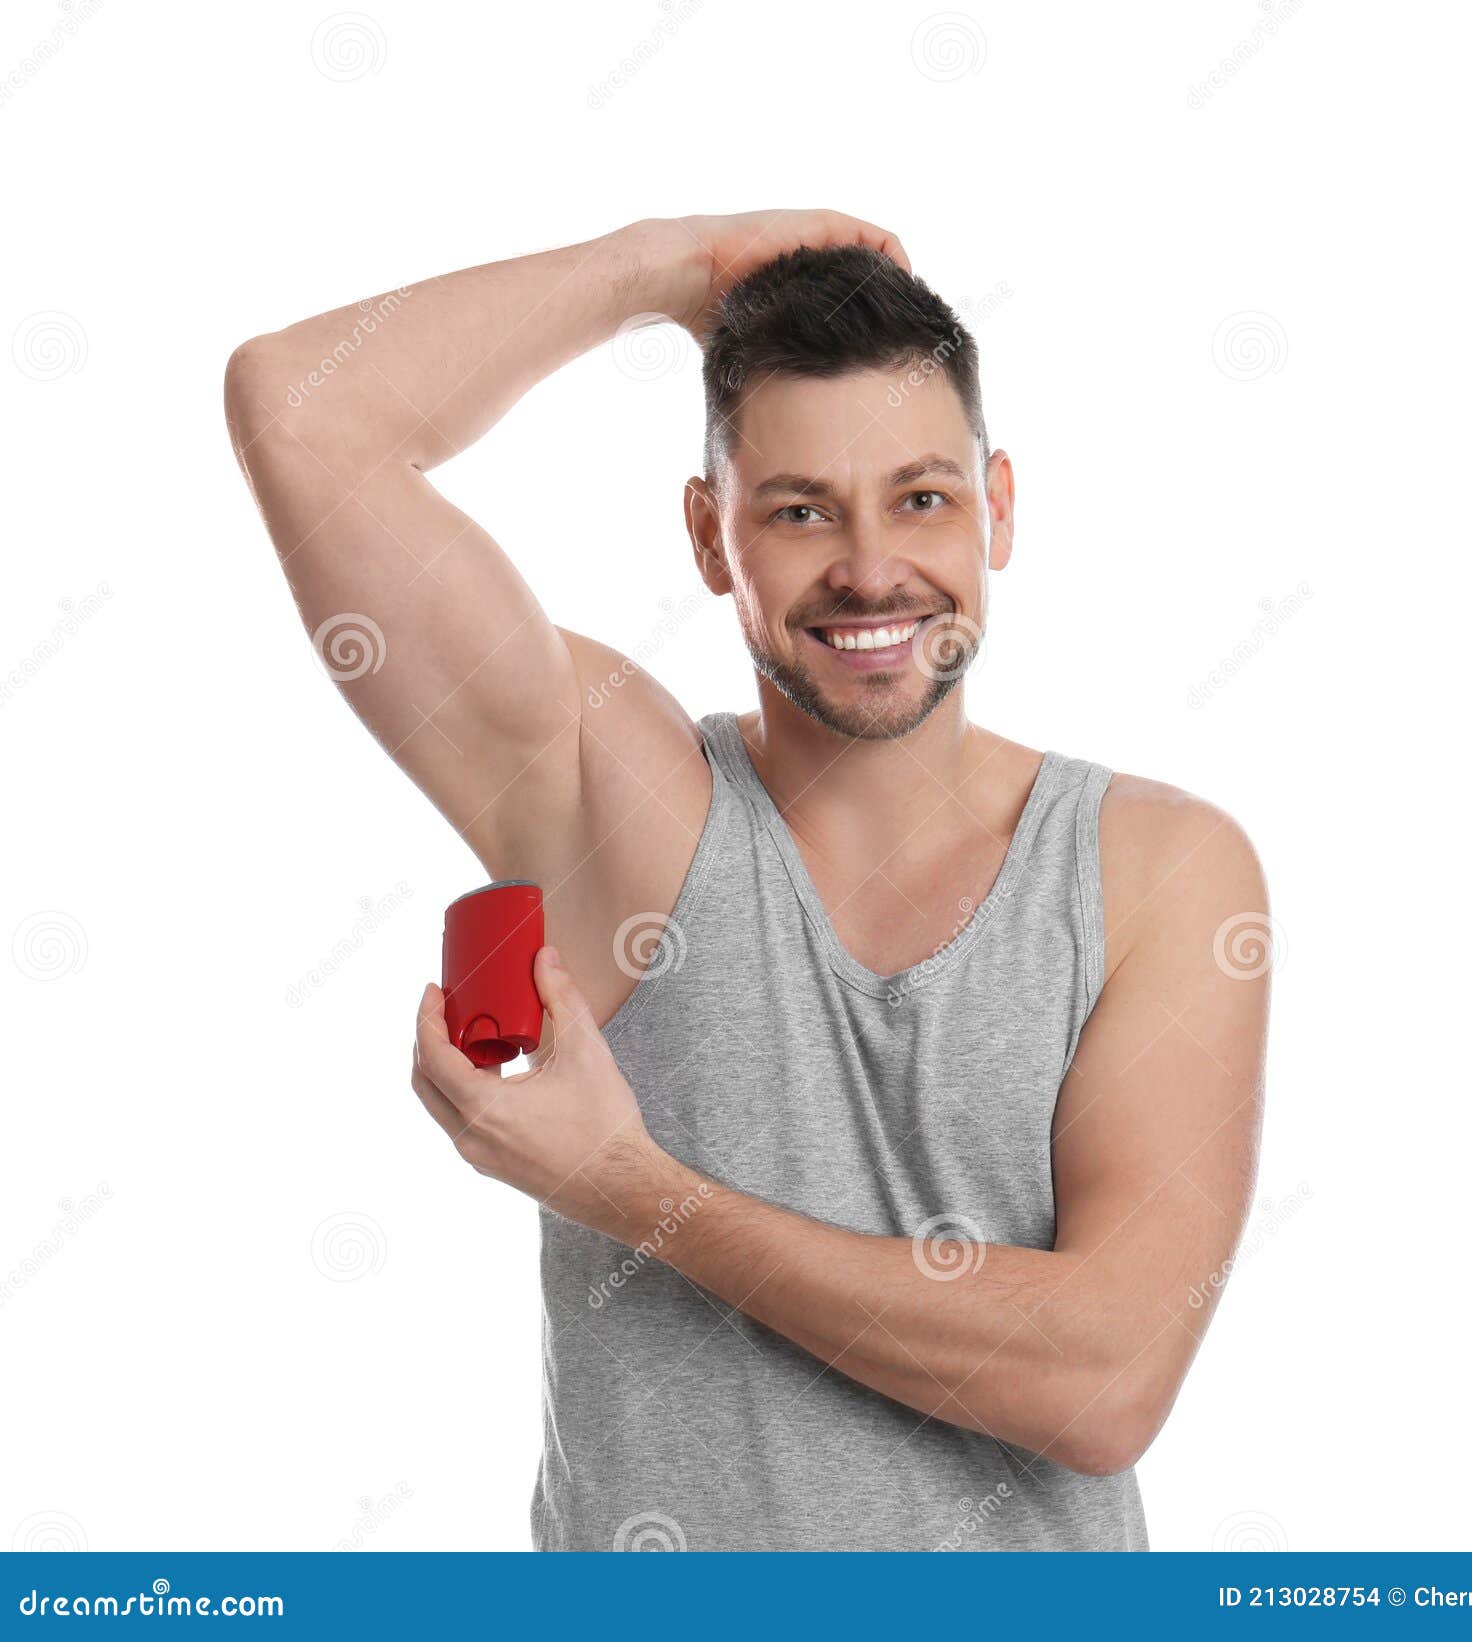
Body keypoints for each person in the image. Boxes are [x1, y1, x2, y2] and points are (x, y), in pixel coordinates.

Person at [223, 210, 1270, 1552]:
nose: (871, 566)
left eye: (921, 497)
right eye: (797, 511)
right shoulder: (615, 804)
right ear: (711, 538)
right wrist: (667, 271)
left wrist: (638, 1190)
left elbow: (1106, 1377)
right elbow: (298, 410)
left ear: (997, 509)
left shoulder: (1159, 870)